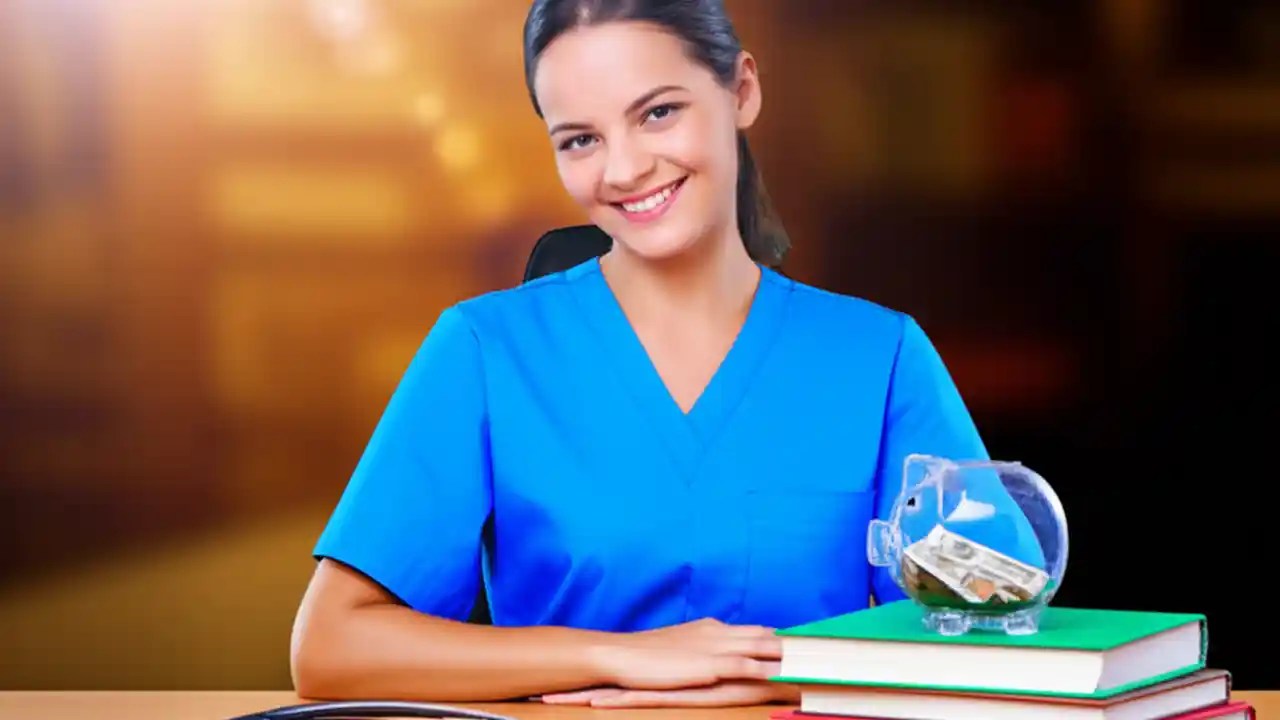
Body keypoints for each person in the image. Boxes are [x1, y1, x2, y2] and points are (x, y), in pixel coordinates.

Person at [290, 0, 999, 709]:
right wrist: (620, 659)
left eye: (658, 112)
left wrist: (779, 673)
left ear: (741, 90)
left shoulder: (879, 358)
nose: (624, 168)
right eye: (578, 140)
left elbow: (996, 636)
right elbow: (331, 647)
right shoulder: (483, 351)